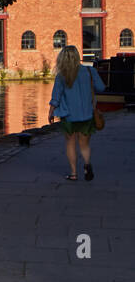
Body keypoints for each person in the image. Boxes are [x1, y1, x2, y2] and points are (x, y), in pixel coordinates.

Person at [47, 45, 105, 181]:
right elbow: (101, 88)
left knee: (70, 143)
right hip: (87, 114)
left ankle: (73, 173)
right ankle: (87, 164)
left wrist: (50, 112)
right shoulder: (90, 71)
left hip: (68, 116)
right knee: (84, 144)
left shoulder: (62, 76)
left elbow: (55, 98)